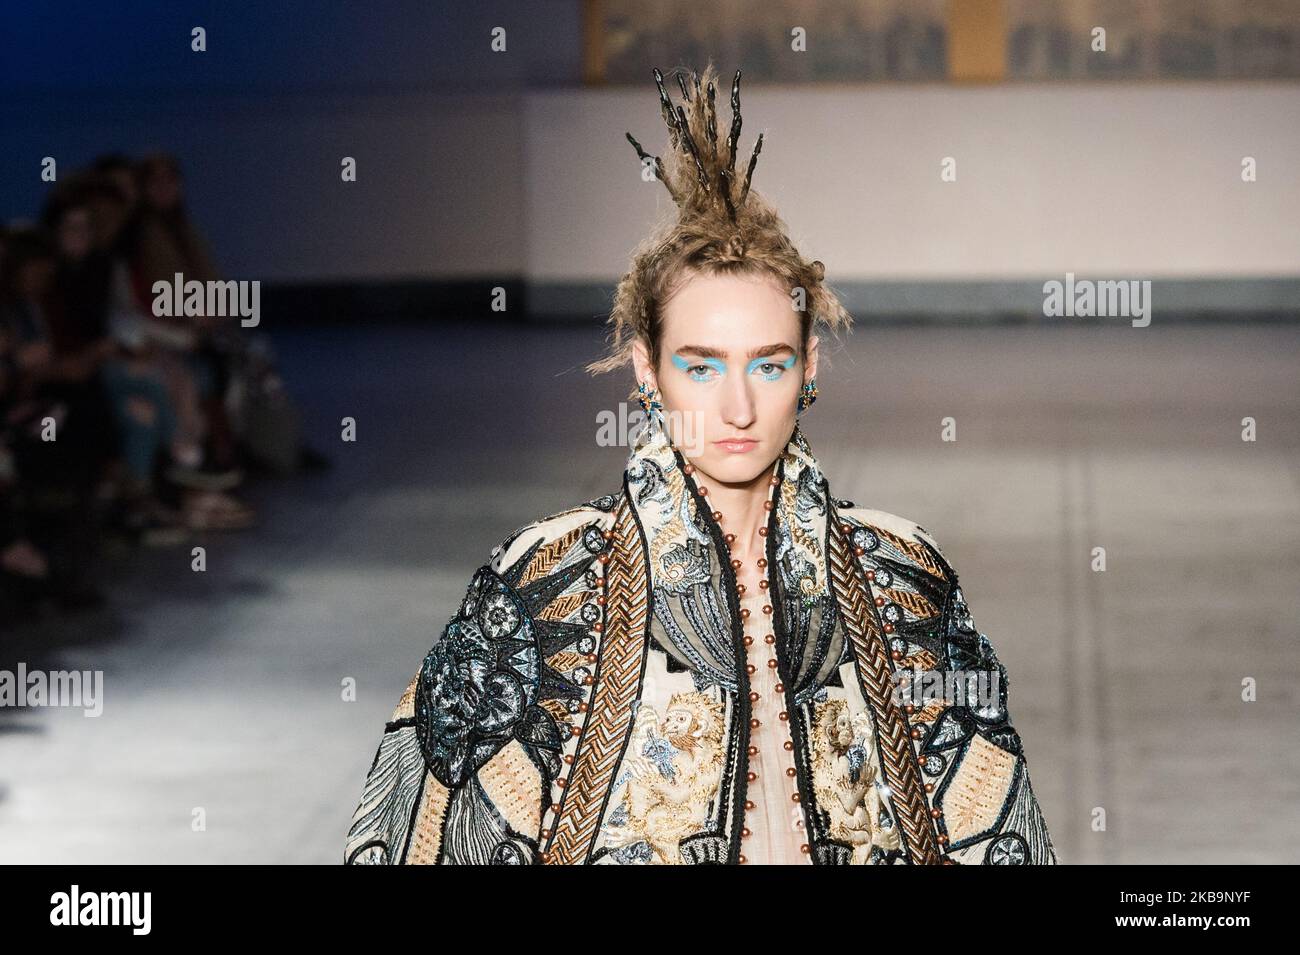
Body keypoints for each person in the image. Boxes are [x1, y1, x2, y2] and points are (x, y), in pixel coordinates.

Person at [345, 63, 1057, 865]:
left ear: (810, 365)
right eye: (702, 364)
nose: (739, 407)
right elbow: (420, 831)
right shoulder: (547, 583)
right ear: (645, 368)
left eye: (769, 362)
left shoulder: (903, 571)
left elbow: (997, 827)